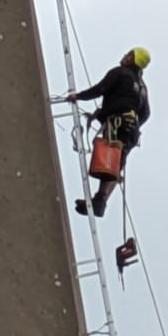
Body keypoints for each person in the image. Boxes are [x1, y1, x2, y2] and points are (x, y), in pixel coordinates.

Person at [66, 48, 151, 217]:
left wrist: (78, 96)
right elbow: (146, 114)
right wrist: (133, 123)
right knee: (116, 164)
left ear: (133, 60)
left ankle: (100, 201)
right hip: (131, 130)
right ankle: (100, 201)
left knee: (109, 160)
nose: (124, 56)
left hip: (119, 125)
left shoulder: (120, 73)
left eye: (128, 55)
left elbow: (100, 88)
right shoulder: (142, 87)